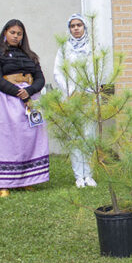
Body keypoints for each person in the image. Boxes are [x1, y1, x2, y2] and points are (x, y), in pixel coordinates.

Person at [0, 19, 49, 197]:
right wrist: (17, 92)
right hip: (7, 102)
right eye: (12, 32)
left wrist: (28, 91)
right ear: (5, 33)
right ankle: (5, 184)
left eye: (19, 33)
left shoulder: (30, 55)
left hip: (29, 100)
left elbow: (40, 78)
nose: (15, 36)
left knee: (29, 138)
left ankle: (27, 179)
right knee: (7, 139)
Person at [53, 14, 97, 188]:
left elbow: (98, 71)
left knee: (89, 136)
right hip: (71, 97)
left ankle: (89, 175)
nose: (76, 28)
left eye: (79, 25)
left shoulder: (92, 47)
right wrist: (70, 91)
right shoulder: (64, 48)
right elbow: (58, 72)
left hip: (88, 97)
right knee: (75, 137)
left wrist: (90, 90)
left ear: (85, 27)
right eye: (72, 26)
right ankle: (79, 175)